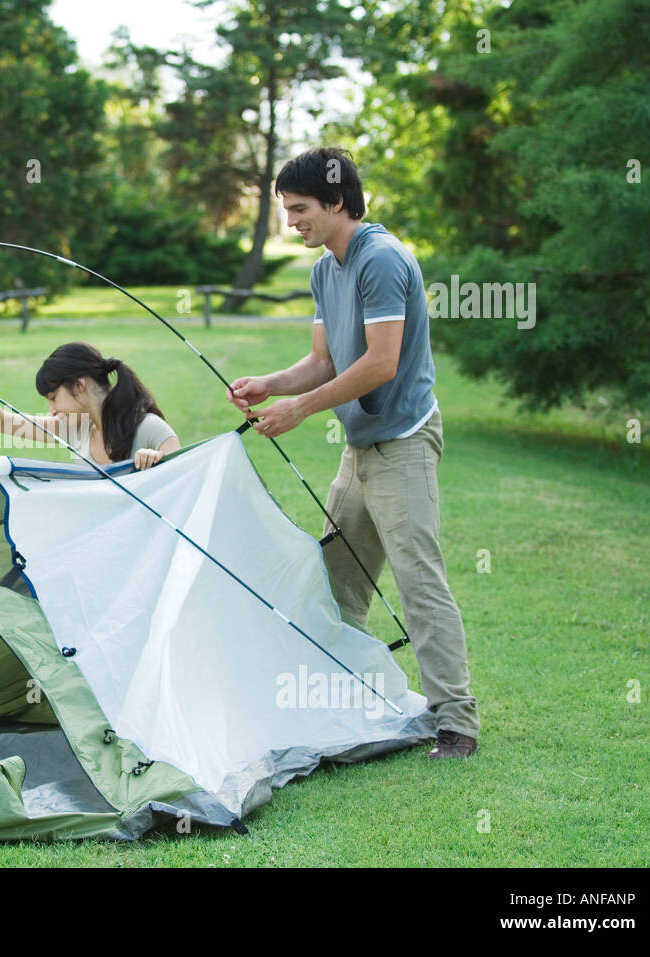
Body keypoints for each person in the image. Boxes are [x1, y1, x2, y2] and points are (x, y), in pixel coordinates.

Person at [227, 147, 479, 759]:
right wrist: (271, 384)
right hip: (359, 449)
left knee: (418, 580)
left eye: (301, 209)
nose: (291, 221)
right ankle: (344, 699)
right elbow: (324, 362)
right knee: (337, 579)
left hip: (404, 443)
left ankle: (457, 722)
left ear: (338, 202)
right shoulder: (323, 269)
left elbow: (380, 362)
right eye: (287, 210)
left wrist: (302, 408)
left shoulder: (382, 260)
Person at [0, 342, 180, 470]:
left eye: (53, 397)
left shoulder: (150, 428)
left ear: (79, 385)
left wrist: (157, 460)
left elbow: (185, 478)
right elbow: (0, 424)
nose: (52, 409)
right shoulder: (77, 427)